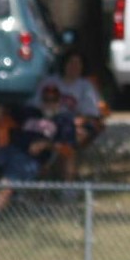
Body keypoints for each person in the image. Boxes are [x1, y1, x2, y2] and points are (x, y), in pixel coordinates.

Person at [0, 105, 58, 233]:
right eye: (47, 96)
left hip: (31, 159)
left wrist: (46, 144)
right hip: (11, 150)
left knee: (8, 181)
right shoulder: (32, 113)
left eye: (53, 98)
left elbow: (66, 144)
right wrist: (1, 110)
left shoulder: (62, 121)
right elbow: (8, 109)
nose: (49, 100)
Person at [31, 49, 106, 179]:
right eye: (71, 63)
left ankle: (67, 185)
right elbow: (34, 105)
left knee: (68, 144)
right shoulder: (50, 82)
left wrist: (77, 122)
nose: (74, 67)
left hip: (72, 126)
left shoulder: (85, 86)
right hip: (48, 123)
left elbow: (91, 113)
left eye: (78, 64)